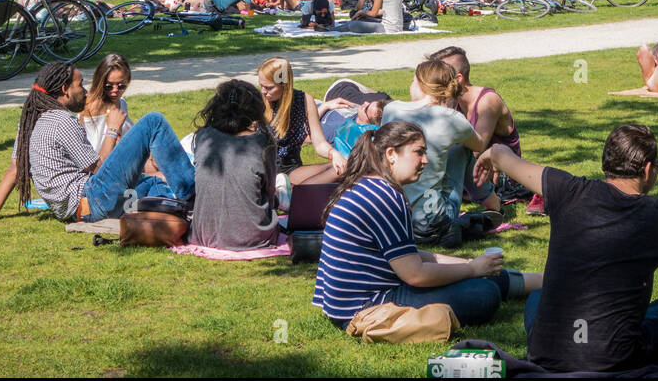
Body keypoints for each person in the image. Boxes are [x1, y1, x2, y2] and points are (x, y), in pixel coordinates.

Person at [473, 124, 658, 373]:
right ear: (648, 169)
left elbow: (504, 156)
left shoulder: (568, 190)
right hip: (615, 358)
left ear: (606, 165)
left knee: (539, 296)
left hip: (546, 355)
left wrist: (489, 156)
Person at [311, 121, 539, 331]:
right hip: (365, 308)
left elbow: (410, 256)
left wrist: (472, 265)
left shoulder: (369, 186)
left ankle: (546, 281)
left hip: (344, 306)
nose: (426, 160)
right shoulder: (385, 197)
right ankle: (548, 282)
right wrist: (471, 270)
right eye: (418, 152)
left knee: (481, 276)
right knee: (483, 293)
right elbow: (415, 274)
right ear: (391, 154)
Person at [0, 62, 193, 224]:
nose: (85, 91)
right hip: (94, 200)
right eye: (80, 85)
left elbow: (15, 168)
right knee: (153, 122)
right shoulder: (62, 120)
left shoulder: (30, 120)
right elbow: (100, 167)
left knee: (151, 184)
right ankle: (193, 196)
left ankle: (182, 205)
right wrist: (112, 129)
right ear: (64, 90)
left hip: (80, 210)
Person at [382, 60, 488, 245]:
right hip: (429, 223)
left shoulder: (391, 109)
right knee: (461, 148)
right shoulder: (452, 119)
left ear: (422, 86)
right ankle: (491, 201)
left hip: (391, 215)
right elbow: (479, 145)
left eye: (413, 81)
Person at [428, 45, 541, 214]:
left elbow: (475, 150)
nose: (432, 81)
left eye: (438, 75)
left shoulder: (487, 102)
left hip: (498, 173)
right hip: (472, 173)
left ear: (458, 79)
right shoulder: (453, 101)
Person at [189, 79, 280, 250]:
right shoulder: (263, 143)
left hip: (204, 234)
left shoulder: (204, 137)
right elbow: (269, 189)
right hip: (254, 239)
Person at [258, 57, 343, 186]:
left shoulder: (304, 100)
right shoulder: (256, 101)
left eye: (269, 88)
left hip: (291, 168)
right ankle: (288, 192)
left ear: (284, 84)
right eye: (261, 86)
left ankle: (287, 192)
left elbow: (319, 143)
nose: (264, 91)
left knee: (343, 168)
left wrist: (334, 154)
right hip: (263, 168)